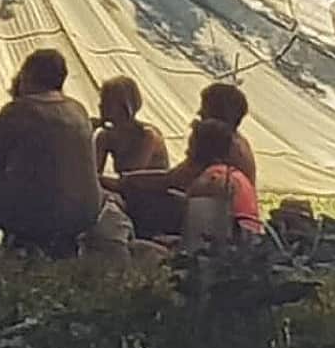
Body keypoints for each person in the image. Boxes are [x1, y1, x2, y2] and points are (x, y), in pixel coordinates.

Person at [0, 49, 102, 257]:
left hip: (37, 212)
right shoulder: (79, 110)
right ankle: (61, 247)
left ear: (28, 74)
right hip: (85, 211)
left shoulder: (17, 111)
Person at [103, 82, 255, 239]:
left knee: (142, 200)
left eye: (205, 108)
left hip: (222, 224)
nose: (199, 112)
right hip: (235, 223)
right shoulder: (237, 143)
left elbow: (173, 179)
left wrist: (125, 181)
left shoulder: (219, 143)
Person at [182, 118, 263, 240]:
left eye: (191, 147)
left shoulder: (211, 181)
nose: (187, 152)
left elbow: (198, 234)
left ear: (202, 150)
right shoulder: (238, 176)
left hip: (224, 252)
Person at [94, 76, 169, 175]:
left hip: (150, 189)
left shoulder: (147, 136)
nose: (100, 105)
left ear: (124, 106)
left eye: (107, 101)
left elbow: (132, 177)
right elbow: (93, 174)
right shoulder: (105, 136)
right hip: (125, 187)